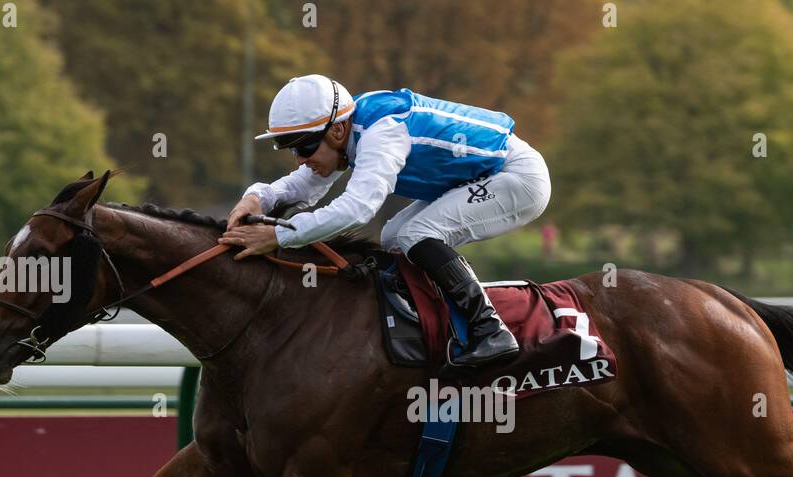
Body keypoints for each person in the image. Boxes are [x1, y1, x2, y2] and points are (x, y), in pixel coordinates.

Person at [219, 75, 552, 368]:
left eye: (304, 147)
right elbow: (304, 185)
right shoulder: (346, 131)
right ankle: (433, 328)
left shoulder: (382, 133)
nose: (300, 159)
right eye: (288, 148)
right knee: (394, 236)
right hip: (482, 175)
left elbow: (356, 209)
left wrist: (279, 235)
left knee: (417, 234)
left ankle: (490, 330)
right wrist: (257, 198)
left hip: (517, 176)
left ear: (336, 130)